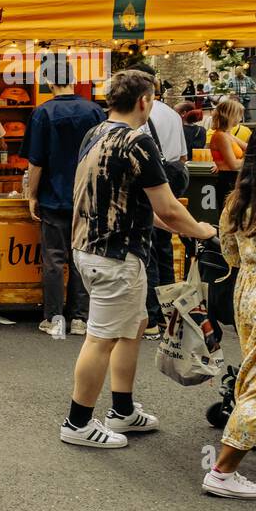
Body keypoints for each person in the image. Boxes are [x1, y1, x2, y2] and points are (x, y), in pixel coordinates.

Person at [60, 69, 216, 450]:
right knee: (102, 338)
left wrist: (181, 228)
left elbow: (141, 206)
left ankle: (123, 409)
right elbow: (168, 207)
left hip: (92, 248)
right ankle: (77, 422)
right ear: (144, 101)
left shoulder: (95, 134)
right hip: (116, 255)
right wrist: (204, 231)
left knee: (133, 326)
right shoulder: (138, 143)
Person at [23, 69, 105, 338]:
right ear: (73, 80)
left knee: (54, 259)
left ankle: (54, 317)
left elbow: (35, 163)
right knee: (81, 256)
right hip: (87, 195)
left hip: (53, 196)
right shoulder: (94, 112)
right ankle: (80, 317)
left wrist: (32, 195)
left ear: (48, 83)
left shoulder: (42, 113)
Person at [204, 132, 256, 498]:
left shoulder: (239, 200)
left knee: (252, 371)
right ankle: (222, 471)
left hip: (248, 293)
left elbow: (230, 253)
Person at [140, 80, 190, 338]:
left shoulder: (139, 114)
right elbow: (182, 157)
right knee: (165, 251)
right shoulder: (172, 114)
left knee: (147, 252)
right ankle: (167, 316)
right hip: (169, 184)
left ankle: (149, 317)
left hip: (147, 188)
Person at [210, 96, 251, 195]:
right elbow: (234, 165)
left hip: (233, 179)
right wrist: (252, 159)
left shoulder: (227, 134)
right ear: (231, 115)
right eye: (239, 115)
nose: (241, 118)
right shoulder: (221, 136)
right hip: (228, 180)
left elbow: (250, 148)